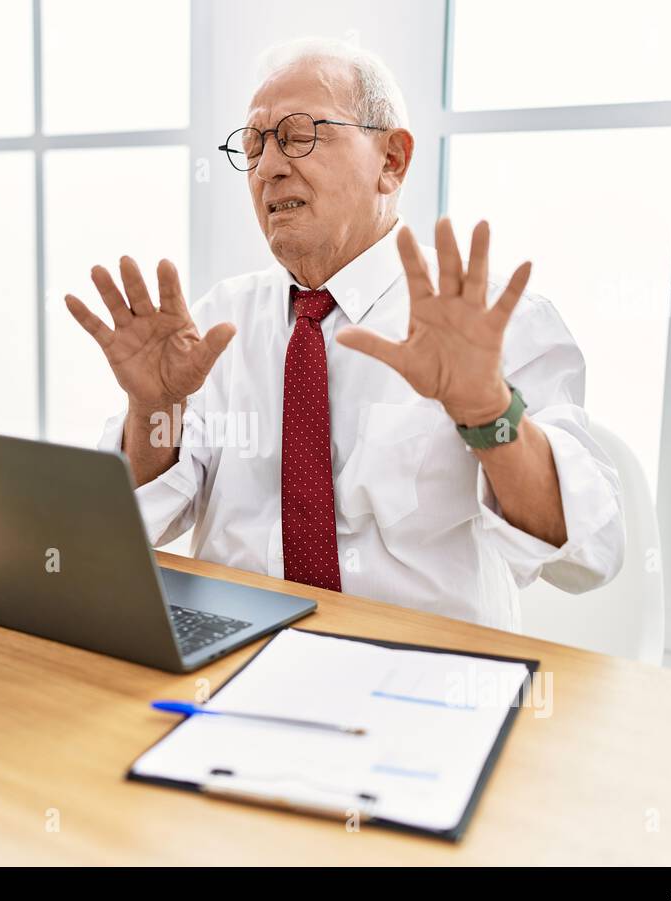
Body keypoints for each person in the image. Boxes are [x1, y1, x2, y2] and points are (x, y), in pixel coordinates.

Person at [64, 38, 623, 630]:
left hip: (419, 674)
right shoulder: (218, 321)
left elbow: (591, 553)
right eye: (253, 146)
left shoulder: (489, 320)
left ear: (392, 161)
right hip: (233, 653)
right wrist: (154, 407)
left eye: (300, 134)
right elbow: (132, 525)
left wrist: (487, 411)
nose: (269, 168)